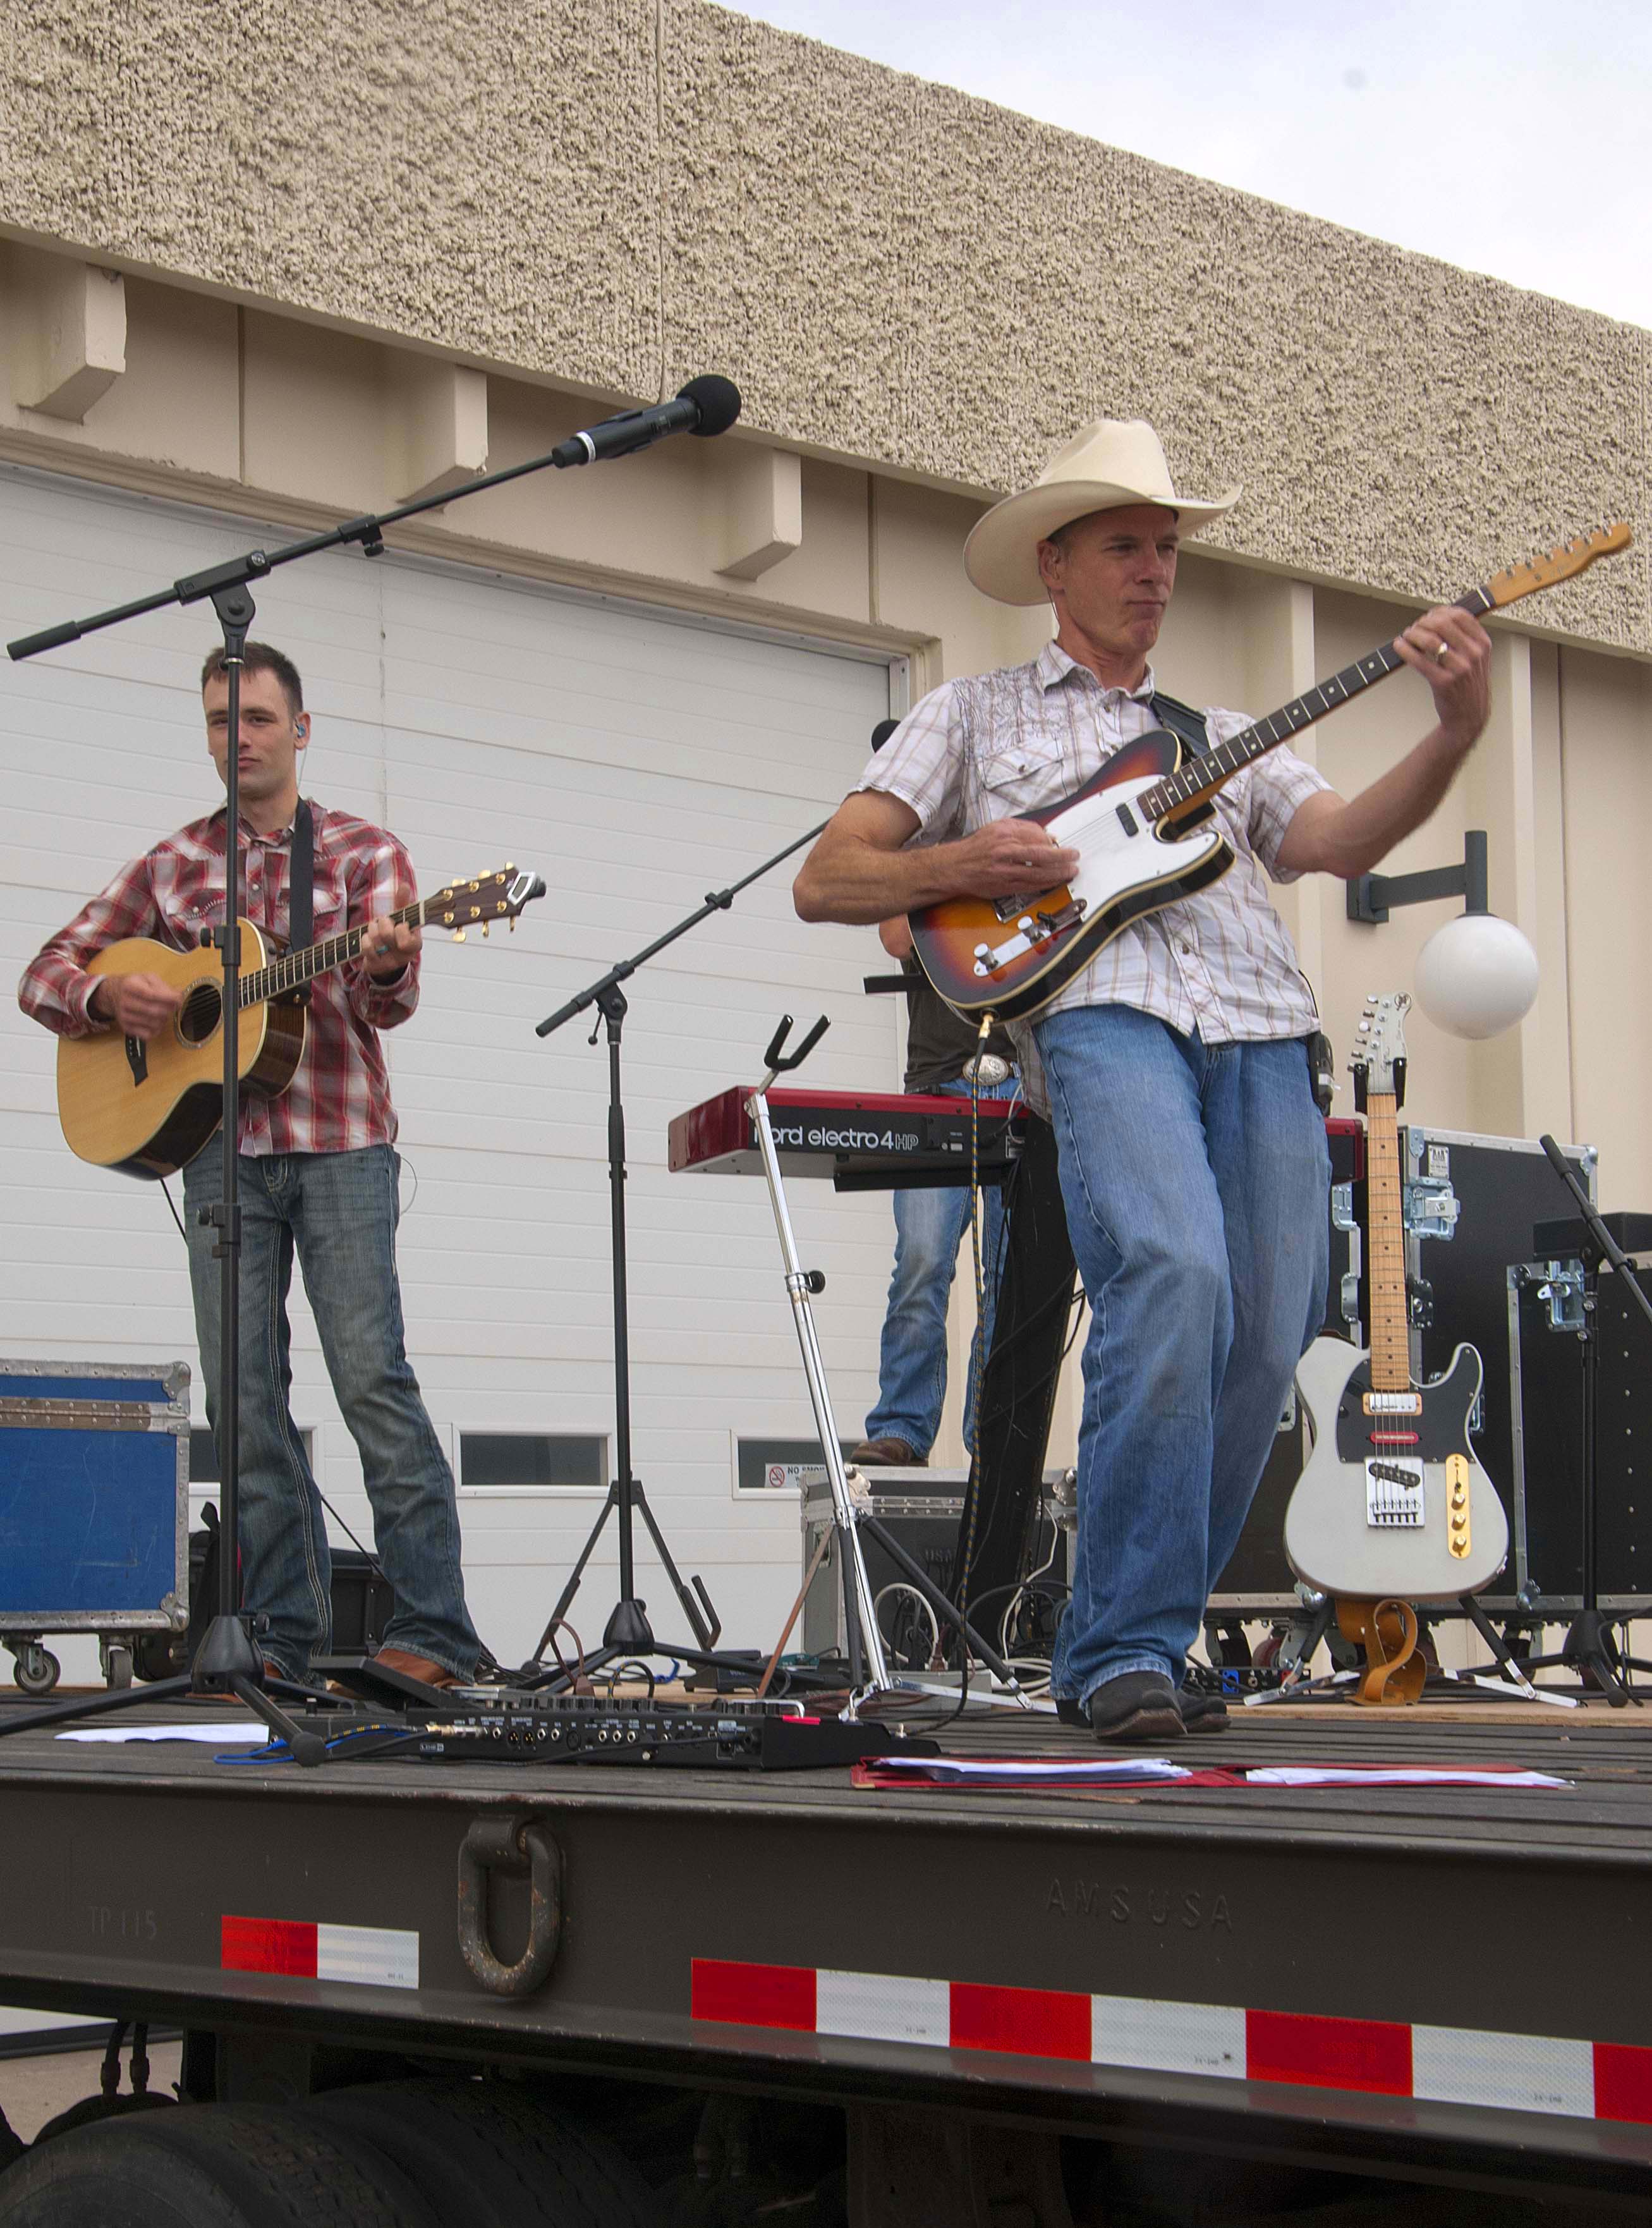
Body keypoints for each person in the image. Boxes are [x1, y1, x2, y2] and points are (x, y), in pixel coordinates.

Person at [794, 417, 1491, 1742]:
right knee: (1170, 1273)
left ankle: (1156, 1633)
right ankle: (1109, 1644)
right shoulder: (972, 712)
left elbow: (1337, 840)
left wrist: (1453, 729)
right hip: (1101, 1018)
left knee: (1266, 1335)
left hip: (1262, 1032)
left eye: (1166, 548)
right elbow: (829, 877)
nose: (1153, 570)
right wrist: (962, 866)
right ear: (1052, 564)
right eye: (1124, 545)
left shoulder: (1217, 733)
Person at [18, 642, 482, 1691]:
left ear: (301, 731)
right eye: (221, 722)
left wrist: (394, 960)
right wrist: (110, 1000)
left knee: (372, 1384)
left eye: (260, 720)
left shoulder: (366, 856)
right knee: (245, 1402)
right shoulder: (173, 863)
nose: (241, 739)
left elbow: (381, 1005)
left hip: (340, 1146)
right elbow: (44, 970)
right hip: (221, 1156)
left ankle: (436, 1633)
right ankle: (279, 1634)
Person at [848, 913, 1019, 1470]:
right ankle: (902, 1425)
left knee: (1011, 1275)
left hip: (1021, 1087)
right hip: (934, 1085)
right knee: (921, 1263)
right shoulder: (927, 854)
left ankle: (991, 1429)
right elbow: (895, 935)